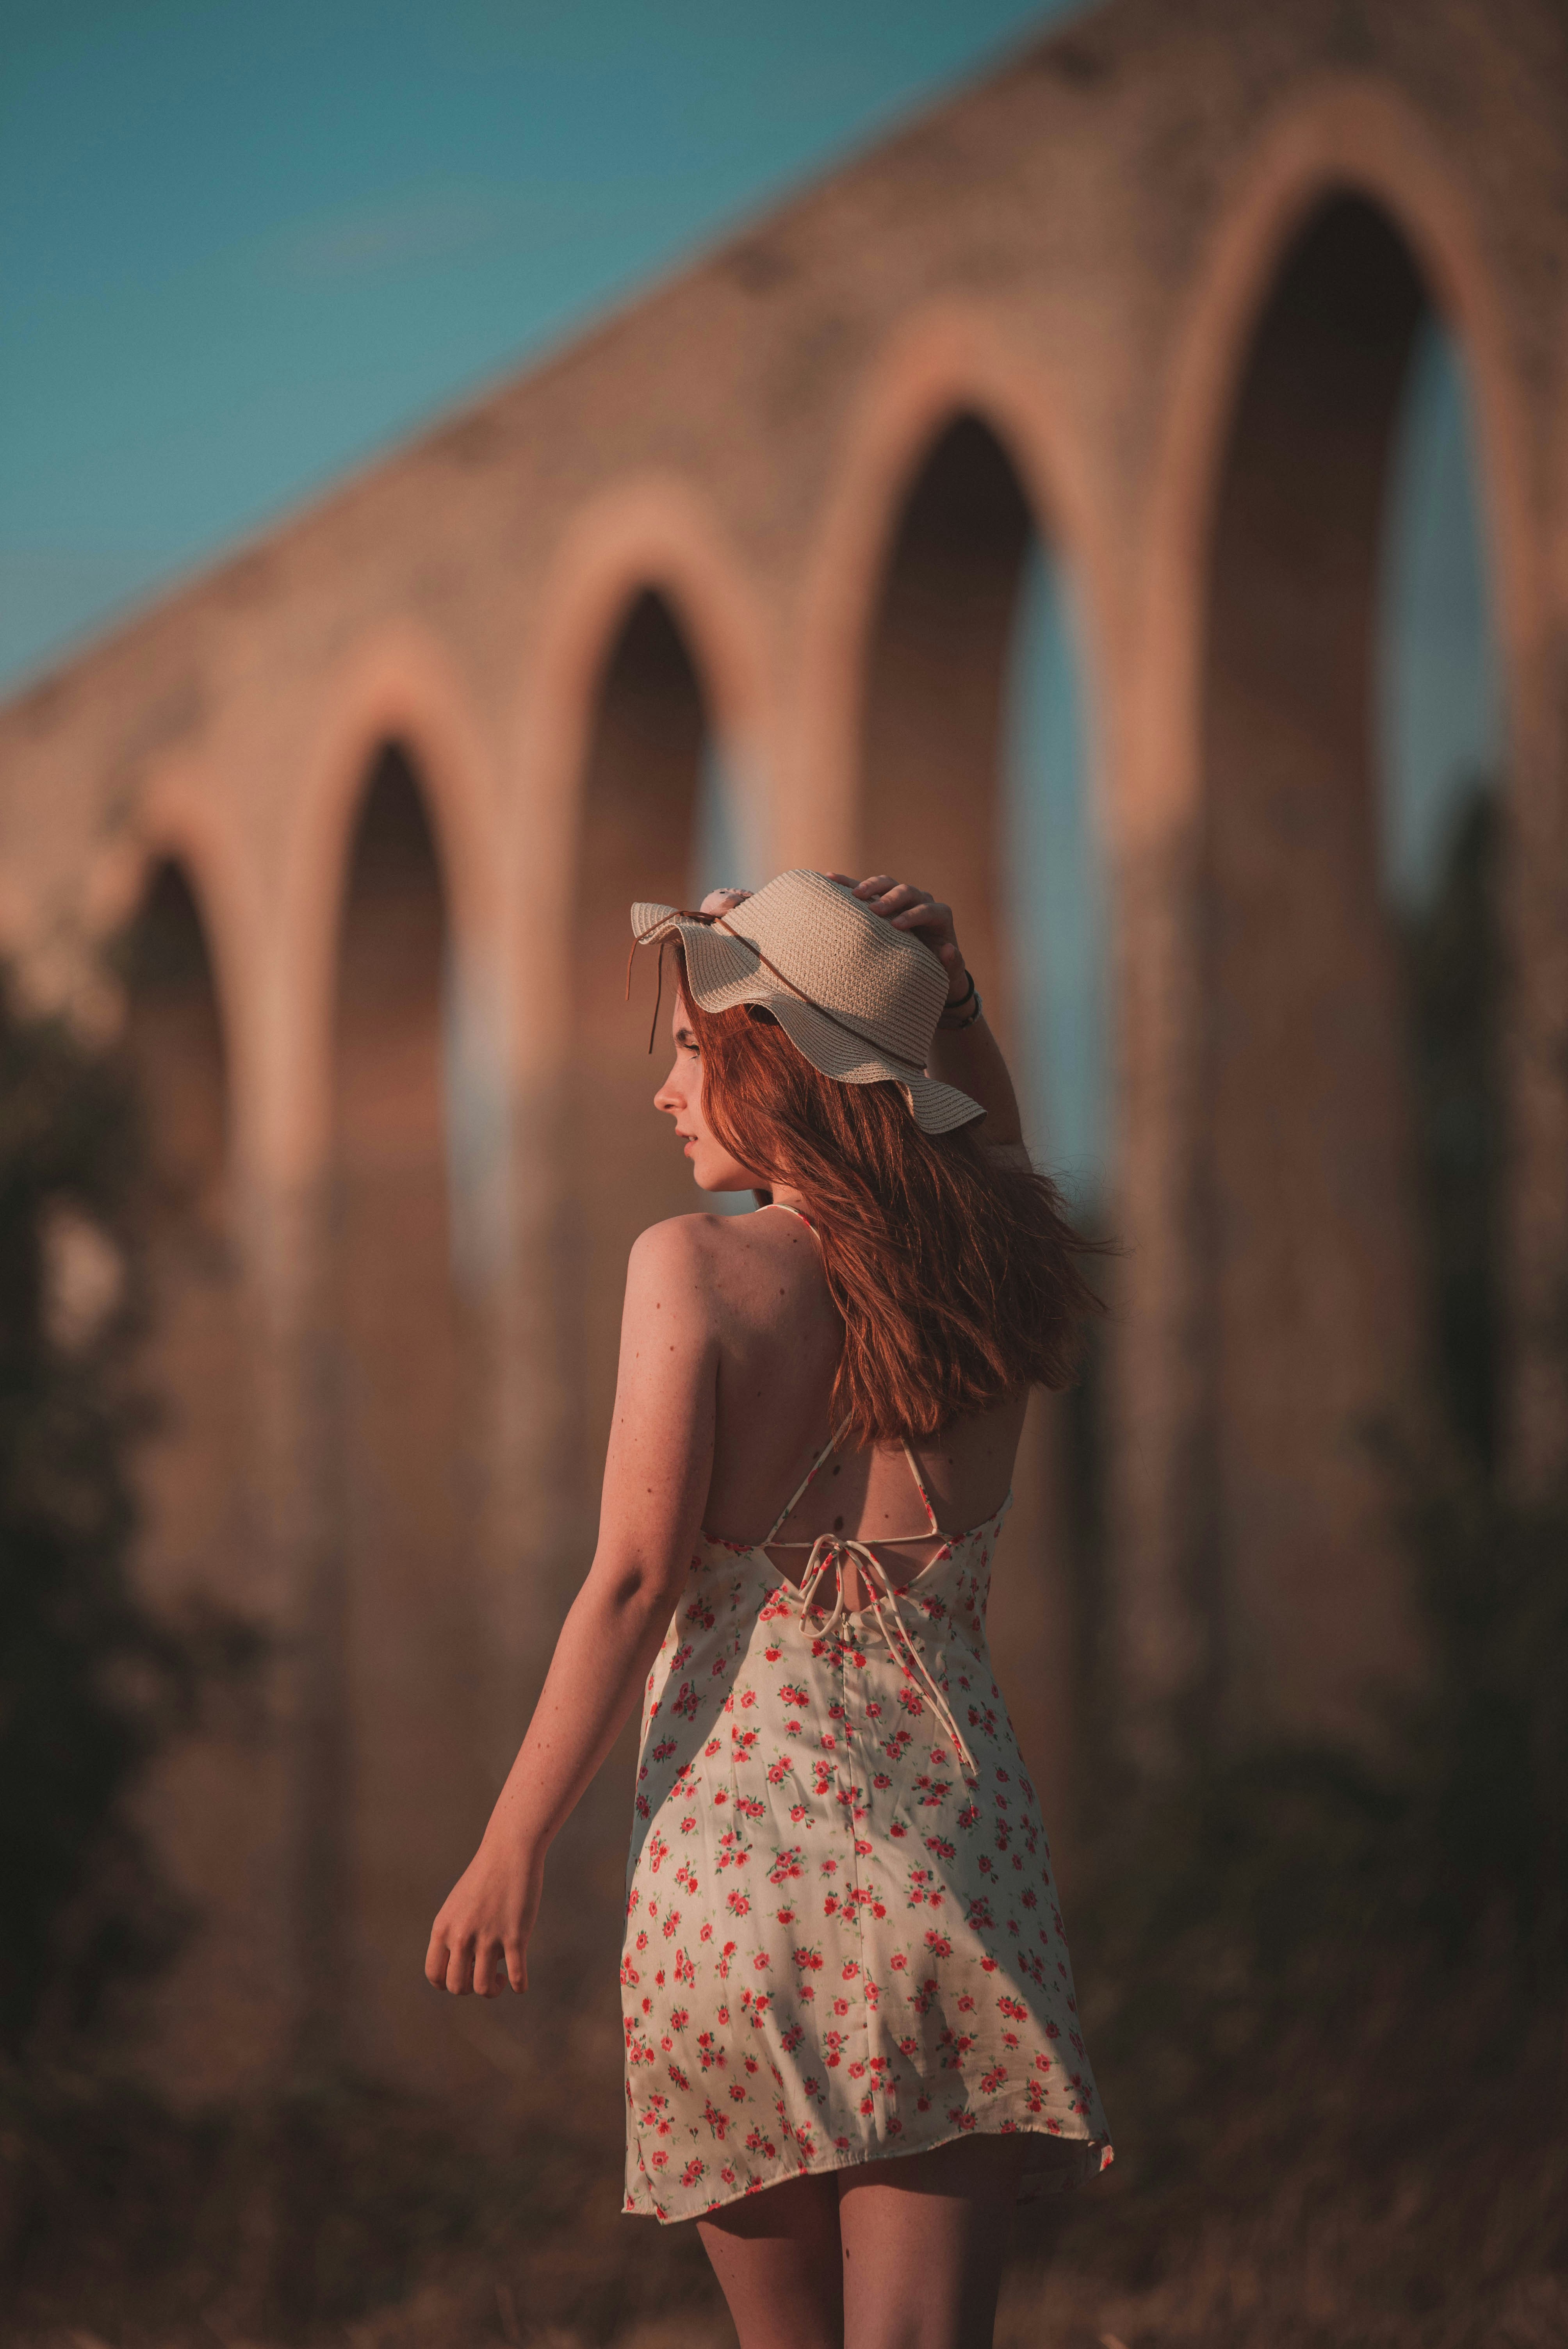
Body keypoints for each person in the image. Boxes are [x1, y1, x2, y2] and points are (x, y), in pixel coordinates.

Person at [427, 869, 1112, 2349]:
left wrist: (512, 1841)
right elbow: (994, 1153)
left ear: (782, 1062)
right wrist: (952, 1003)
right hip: (950, 1867)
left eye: (697, 1048)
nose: (666, 1089)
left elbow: (633, 1577)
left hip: (732, 1895)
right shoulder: (995, 1274)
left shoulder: (694, 1270)